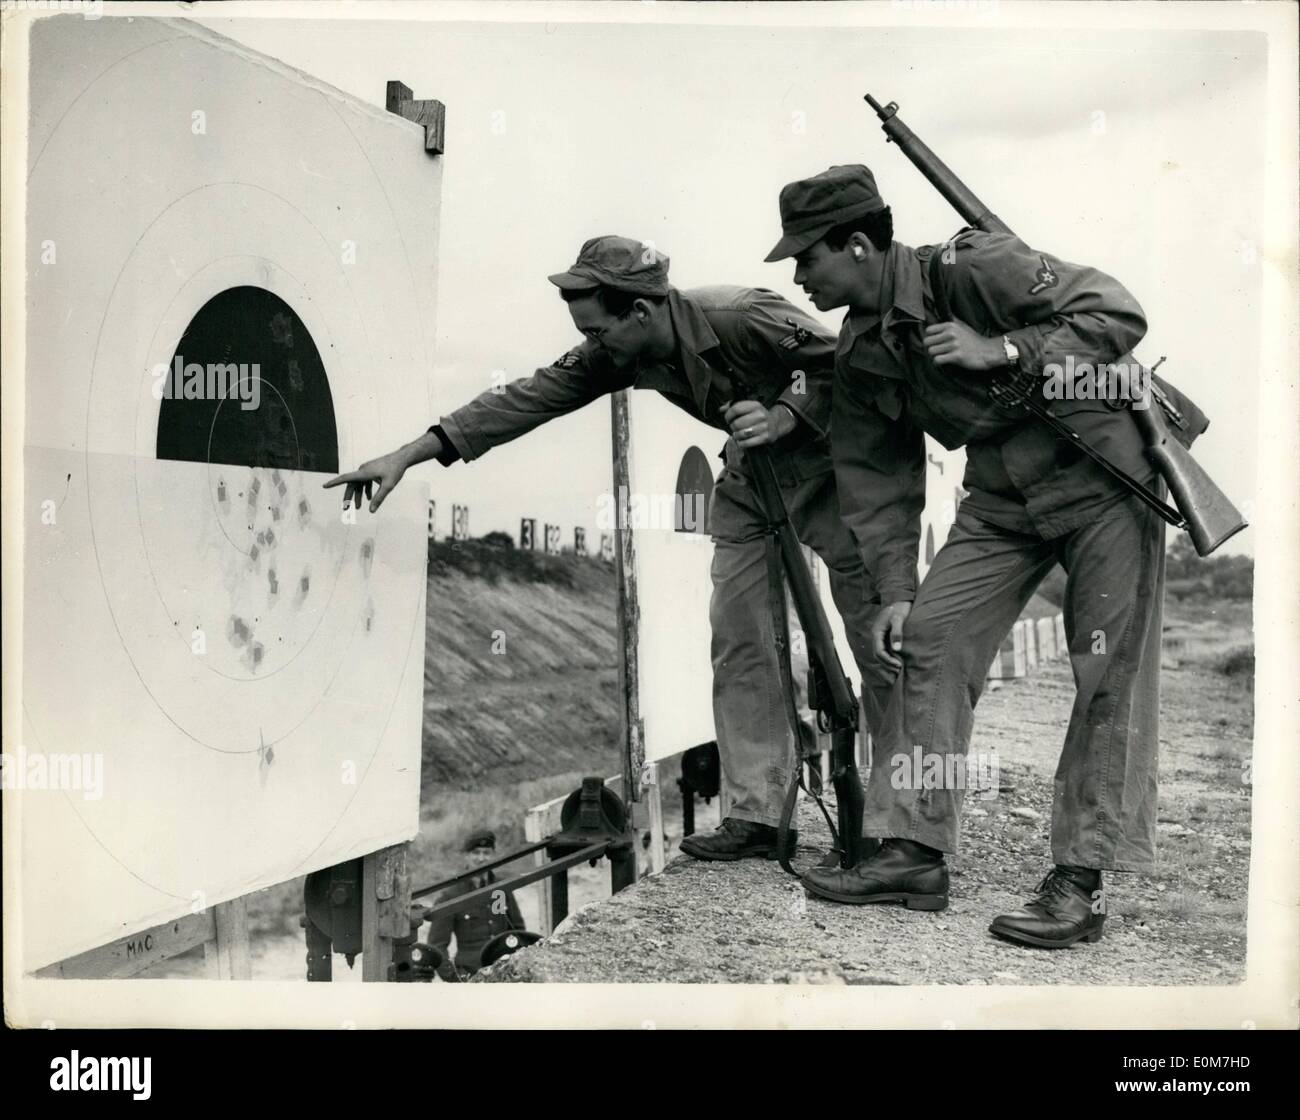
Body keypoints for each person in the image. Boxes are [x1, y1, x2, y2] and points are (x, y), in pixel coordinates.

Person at [324, 236, 895, 861]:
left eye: (598, 333)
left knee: (877, 634)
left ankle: (899, 828)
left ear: (641, 313)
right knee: (739, 637)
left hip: (835, 466)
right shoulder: (619, 350)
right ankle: (759, 814)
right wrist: (409, 454)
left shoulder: (743, 315)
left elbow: (846, 363)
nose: (592, 348)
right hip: (753, 479)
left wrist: (784, 415)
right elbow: (525, 399)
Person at [765, 165, 1208, 947]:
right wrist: (897, 591)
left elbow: (1116, 315)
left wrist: (1001, 347)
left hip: (1104, 476)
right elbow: (876, 480)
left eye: (808, 258)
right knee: (929, 640)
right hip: (1003, 497)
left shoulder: (971, 266)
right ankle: (913, 851)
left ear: (859, 245)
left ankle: (1079, 883)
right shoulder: (863, 351)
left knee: (1106, 673)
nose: (799, 276)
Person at [425, 829, 525, 980]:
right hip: (470, 973)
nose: (481, 859)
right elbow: (436, 945)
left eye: (486, 853)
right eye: (476, 853)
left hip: (504, 971)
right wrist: (454, 977)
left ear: (493, 855)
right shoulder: (451, 895)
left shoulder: (502, 888)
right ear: (466, 855)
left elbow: (518, 931)